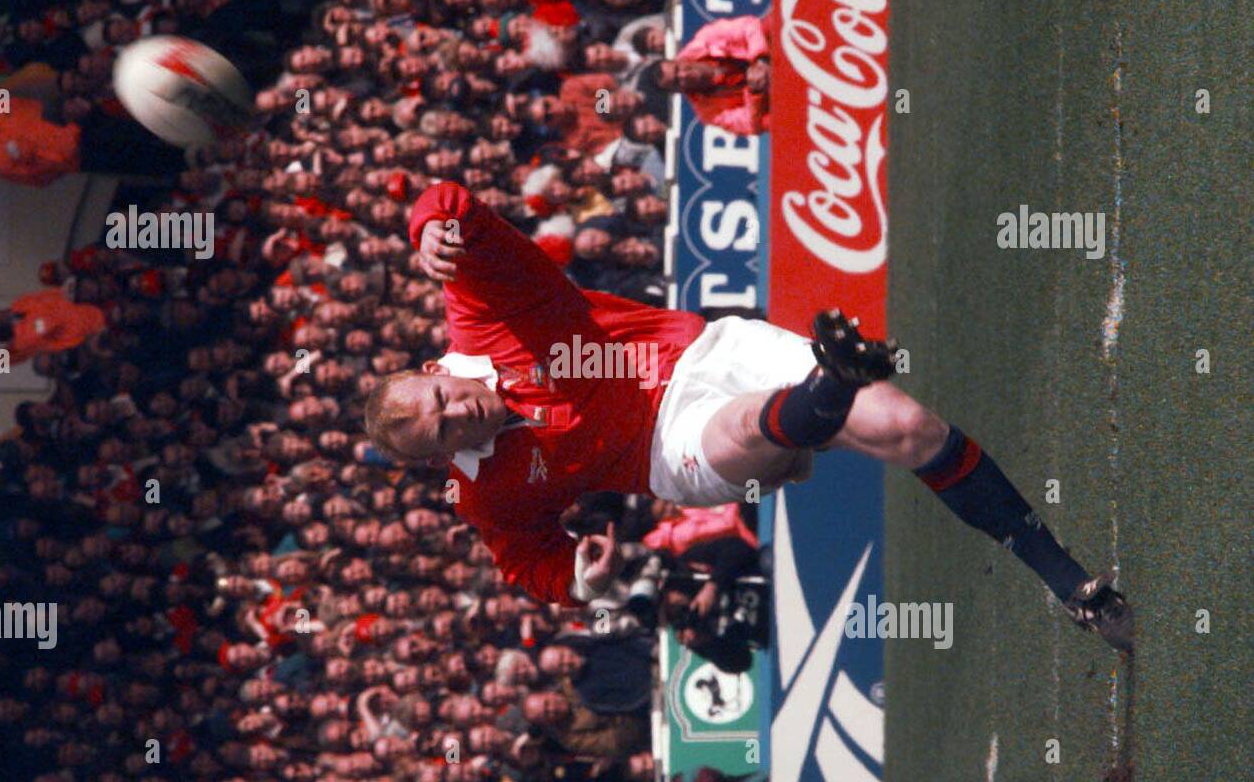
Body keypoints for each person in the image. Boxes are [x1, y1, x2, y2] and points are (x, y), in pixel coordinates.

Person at [365, 182, 1133, 652]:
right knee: (741, 430)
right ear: (441, 456)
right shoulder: (486, 493)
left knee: (909, 431)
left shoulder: (481, 315)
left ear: (435, 370)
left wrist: (429, 224)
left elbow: (454, 206)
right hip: (670, 447)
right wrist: (581, 579)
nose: (456, 410)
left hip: (707, 350)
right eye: (443, 428)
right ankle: (828, 388)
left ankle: (1065, 581)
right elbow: (527, 565)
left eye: (440, 396)